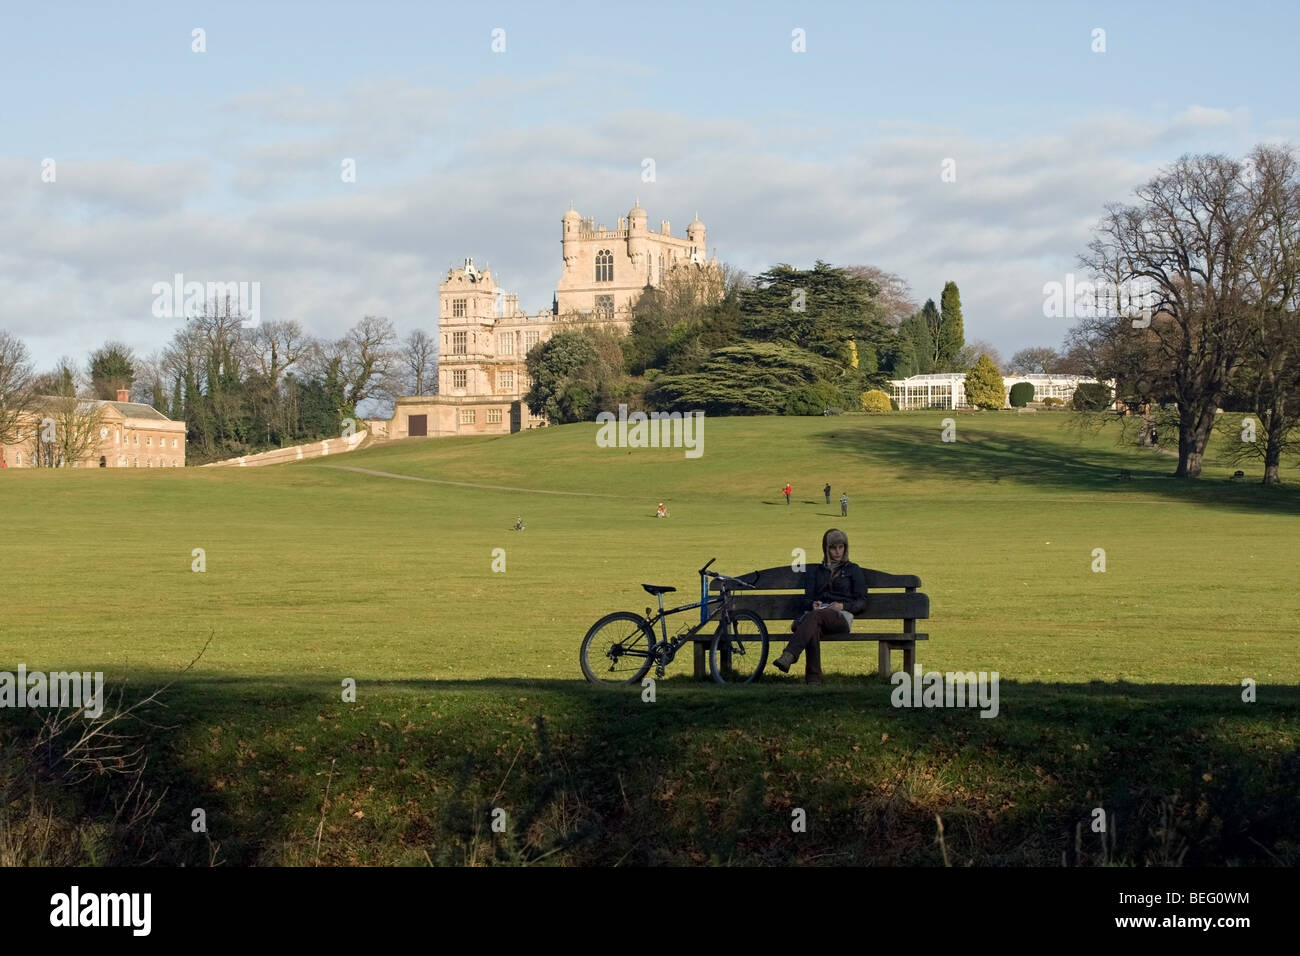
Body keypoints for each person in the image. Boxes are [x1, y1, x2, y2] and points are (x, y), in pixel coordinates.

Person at [772, 529, 867, 684]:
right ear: (826, 549)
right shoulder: (816, 571)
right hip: (818, 617)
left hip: (841, 617)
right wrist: (812, 604)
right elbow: (806, 599)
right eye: (833, 547)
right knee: (813, 626)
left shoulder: (853, 569)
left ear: (846, 547)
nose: (838, 552)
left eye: (841, 547)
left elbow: (862, 601)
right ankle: (813, 679)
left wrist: (842, 605)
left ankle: (789, 654)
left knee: (811, 619)